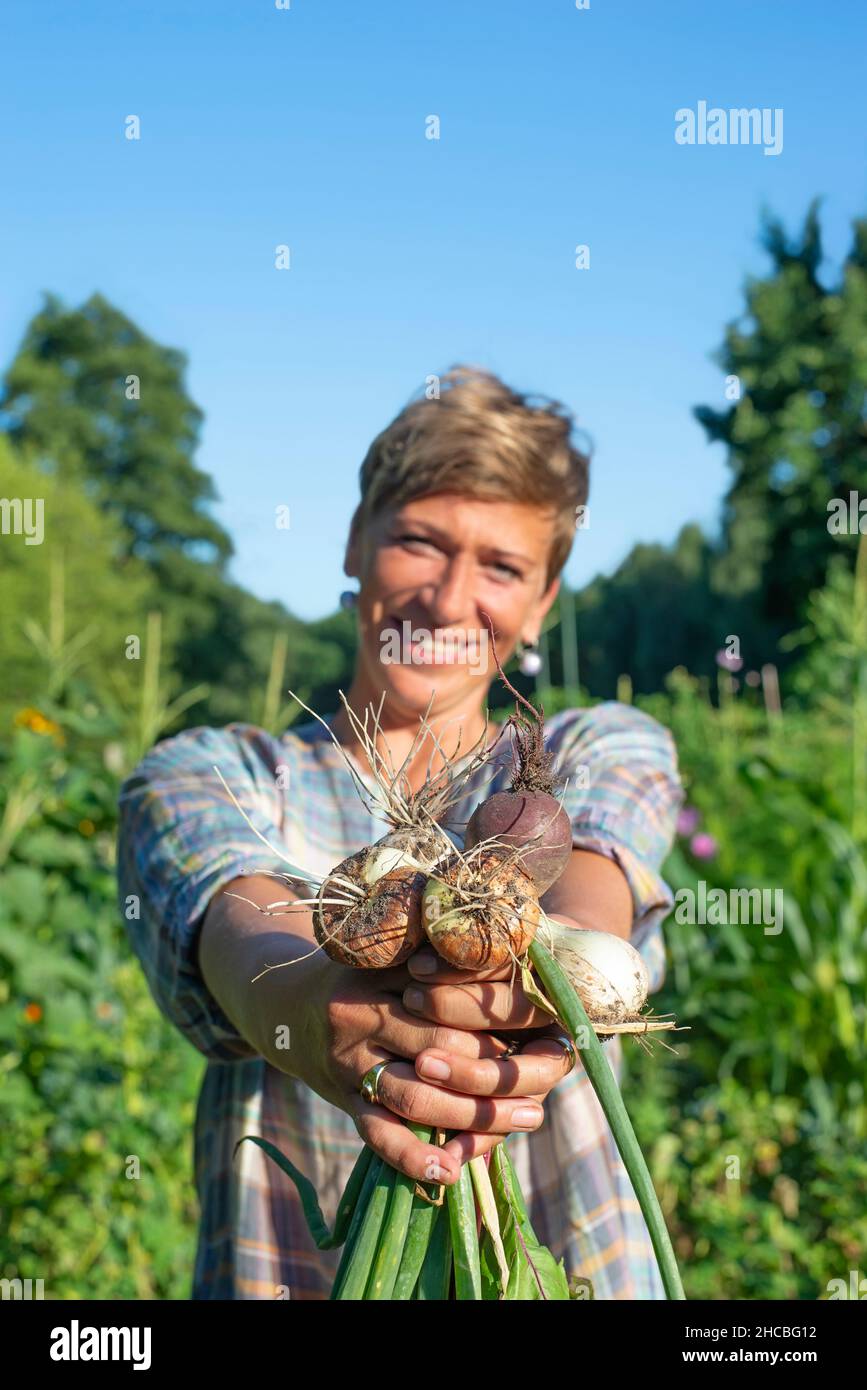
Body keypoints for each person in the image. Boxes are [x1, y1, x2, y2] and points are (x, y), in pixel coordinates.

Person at [117, 365, 683, 1300]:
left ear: (541, 603)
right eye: (419, 542)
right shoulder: (211, 772)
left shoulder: (594, 746)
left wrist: (552, 977)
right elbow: (238, 918)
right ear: (353, 543)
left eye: (501, 566)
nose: (450, 598)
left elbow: (592, 893)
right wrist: (309, 1010)